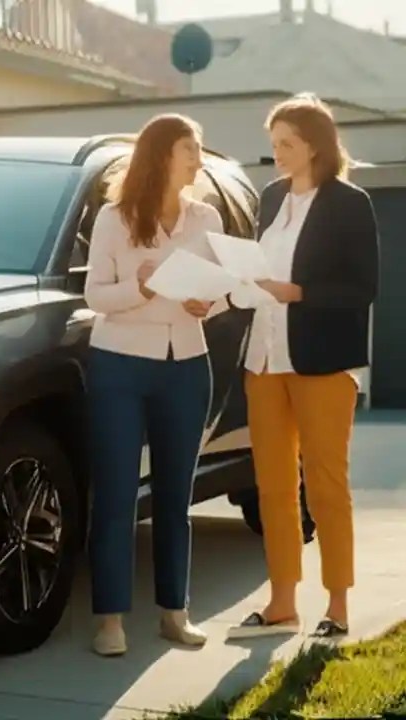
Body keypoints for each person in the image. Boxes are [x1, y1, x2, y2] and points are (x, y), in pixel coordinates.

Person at [226, 93, 379, 641]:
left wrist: (297, 292)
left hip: (322, 364)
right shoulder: (270, 198)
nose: (278, 154)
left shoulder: (348, 202)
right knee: (272, 487)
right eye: (273, 145)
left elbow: (364, 288)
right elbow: (257, 271)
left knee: (325, 486)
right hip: (263, 361)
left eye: (286, 144)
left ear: (314, 145)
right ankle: (281, 602)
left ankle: (336, 607)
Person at [84, 113, 226, 657]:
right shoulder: (114, 219)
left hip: (187, 365)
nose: (197, 159)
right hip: (119, 364)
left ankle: (175, 612)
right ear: (162, 154)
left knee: (176, 498)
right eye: (190, 149)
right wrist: (138, 289)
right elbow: (96, 295)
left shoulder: (207, 217)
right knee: (118, 497)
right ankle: (110, 621)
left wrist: (207, 302)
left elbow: (224, 291)